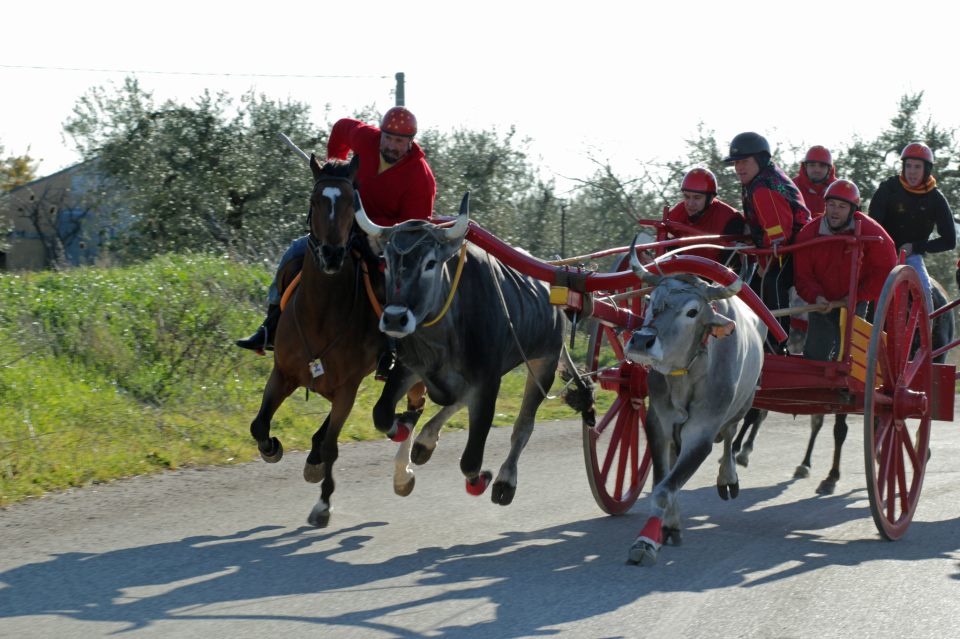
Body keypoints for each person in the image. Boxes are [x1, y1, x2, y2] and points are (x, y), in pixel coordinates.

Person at [236, 106, 437, 353]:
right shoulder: (365, 138)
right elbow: (342, 128)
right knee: (295, 251)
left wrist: (369, 220)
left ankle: (394, 346)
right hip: (344, 226)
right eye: (388, 138)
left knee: (393, 281)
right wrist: (335, 171)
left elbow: (411, 229)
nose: (392, 146)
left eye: (399, 141)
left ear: (410, 143)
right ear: (381, 134)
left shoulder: (421, 178)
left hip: (385, 237)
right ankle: (270, 325)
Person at [793, 179, 897, 360]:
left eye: (842, 206)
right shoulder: (808, 235)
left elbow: (885, 269)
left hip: (854, 301)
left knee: (849, 360)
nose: (835, 210)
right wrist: (816, 296)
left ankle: (847, 385)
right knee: (815, 359)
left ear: (853, 210)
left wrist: (857, 296)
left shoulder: (871, 232)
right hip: (821, 303)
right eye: (831, 204)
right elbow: (803, 276)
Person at [724, 132, 811, 346]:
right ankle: (753, 341)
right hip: (788, 245)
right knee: (751, 287)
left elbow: (778, 238)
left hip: (795, 249)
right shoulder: (760, 179)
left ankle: (775, 344)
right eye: (736, 163)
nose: (739, 168)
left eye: (744, 161)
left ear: (761, 159)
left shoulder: (763, 189)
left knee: (770, 284)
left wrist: (764, 263)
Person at [868, 142, 956, 312]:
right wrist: (885, 248)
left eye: (917, 167)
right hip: (880, 255)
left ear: (927, 170)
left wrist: (916, 246)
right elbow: (873, 225)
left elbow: (949, 241)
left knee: (924, 291)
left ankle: (926, 333)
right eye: (908, 166)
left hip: (911, 257)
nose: (912, 171)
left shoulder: (936, 198)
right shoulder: (888, 188)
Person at [664, 167, 745, 264]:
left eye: (697, 198)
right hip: (684, 274)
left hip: (716, 275)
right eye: (686, 196)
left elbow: (733, 268)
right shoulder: (677, 213)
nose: (690, 204)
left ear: (710, 198)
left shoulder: (730, 219)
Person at [792, 145, 837, 216]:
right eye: (812, 165)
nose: (817, 170)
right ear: (805, 166)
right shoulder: (792, 187)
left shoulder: (838, 188)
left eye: (822, 166)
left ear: (829, 169)